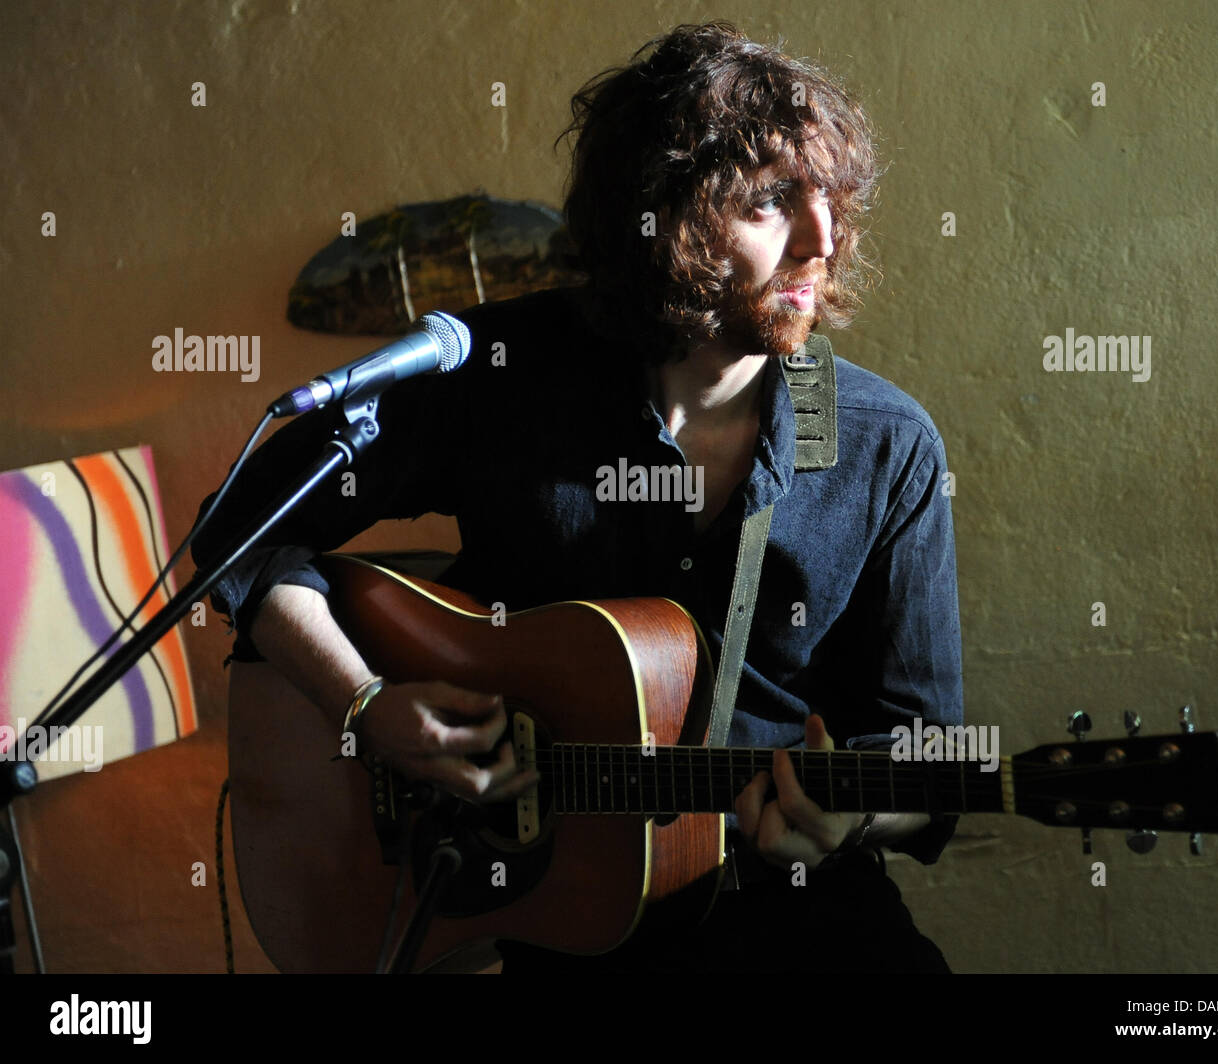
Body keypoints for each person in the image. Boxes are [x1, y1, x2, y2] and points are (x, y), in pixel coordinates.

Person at [193, 21, 963, 972]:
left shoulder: (887, 447)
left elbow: (928, 753)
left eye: (832, 200)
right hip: (557, 921)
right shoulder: (500, 372)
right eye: (772, 203)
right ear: (664, 212)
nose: (824, 238)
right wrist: (364, 708)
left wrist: (854, 812)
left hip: (790, 915)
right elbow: (241, 532)